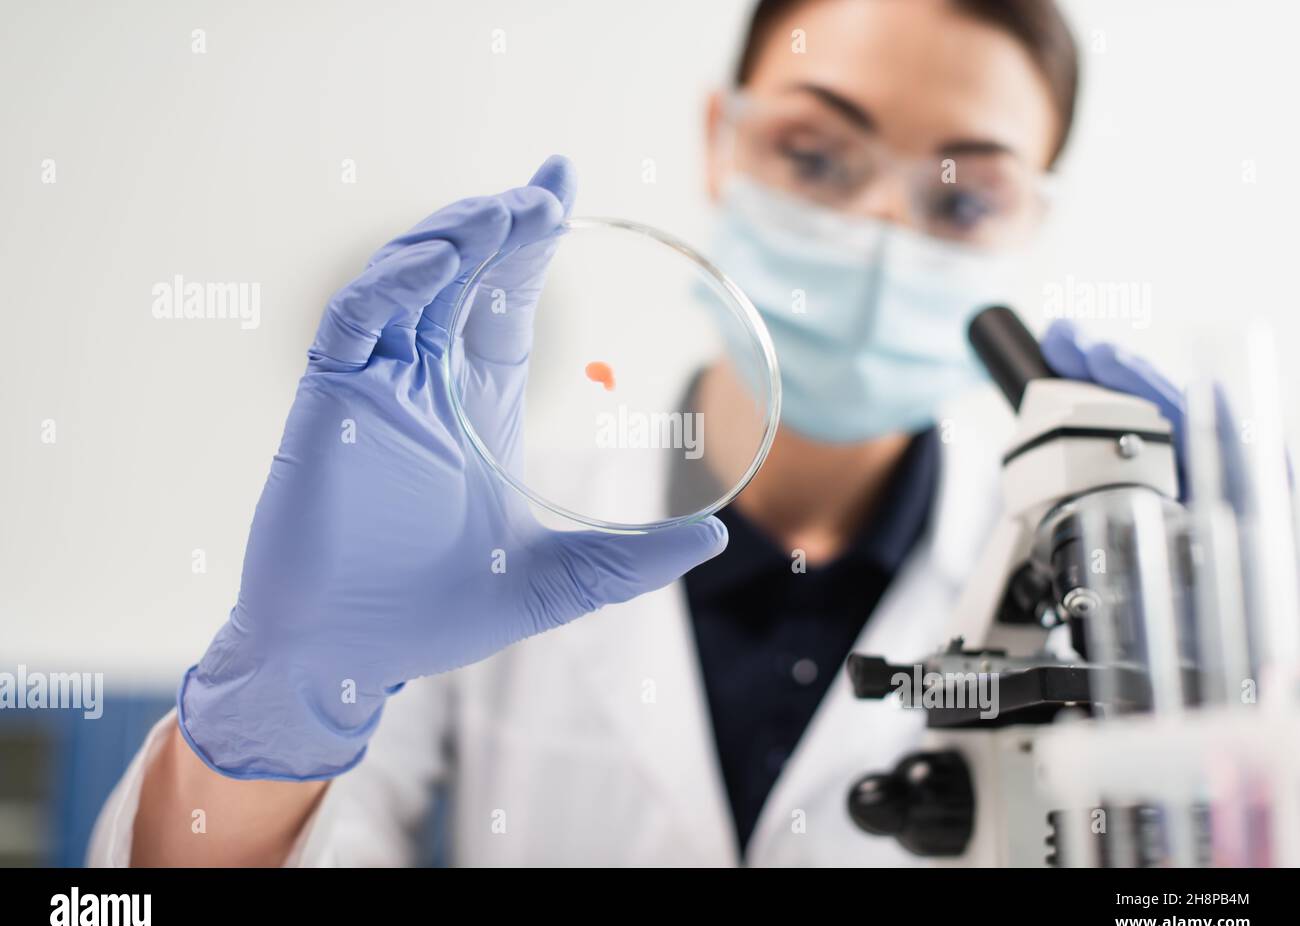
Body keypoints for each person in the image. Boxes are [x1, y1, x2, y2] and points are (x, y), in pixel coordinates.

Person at [90, 0, 1180, 866]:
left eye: (959, 199)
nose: (880, 233)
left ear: (1030, 222)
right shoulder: (480, 532)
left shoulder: (1079, 588)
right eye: (817, 155)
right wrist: (287, 701)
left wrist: (1229, 657)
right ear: (721, 140)